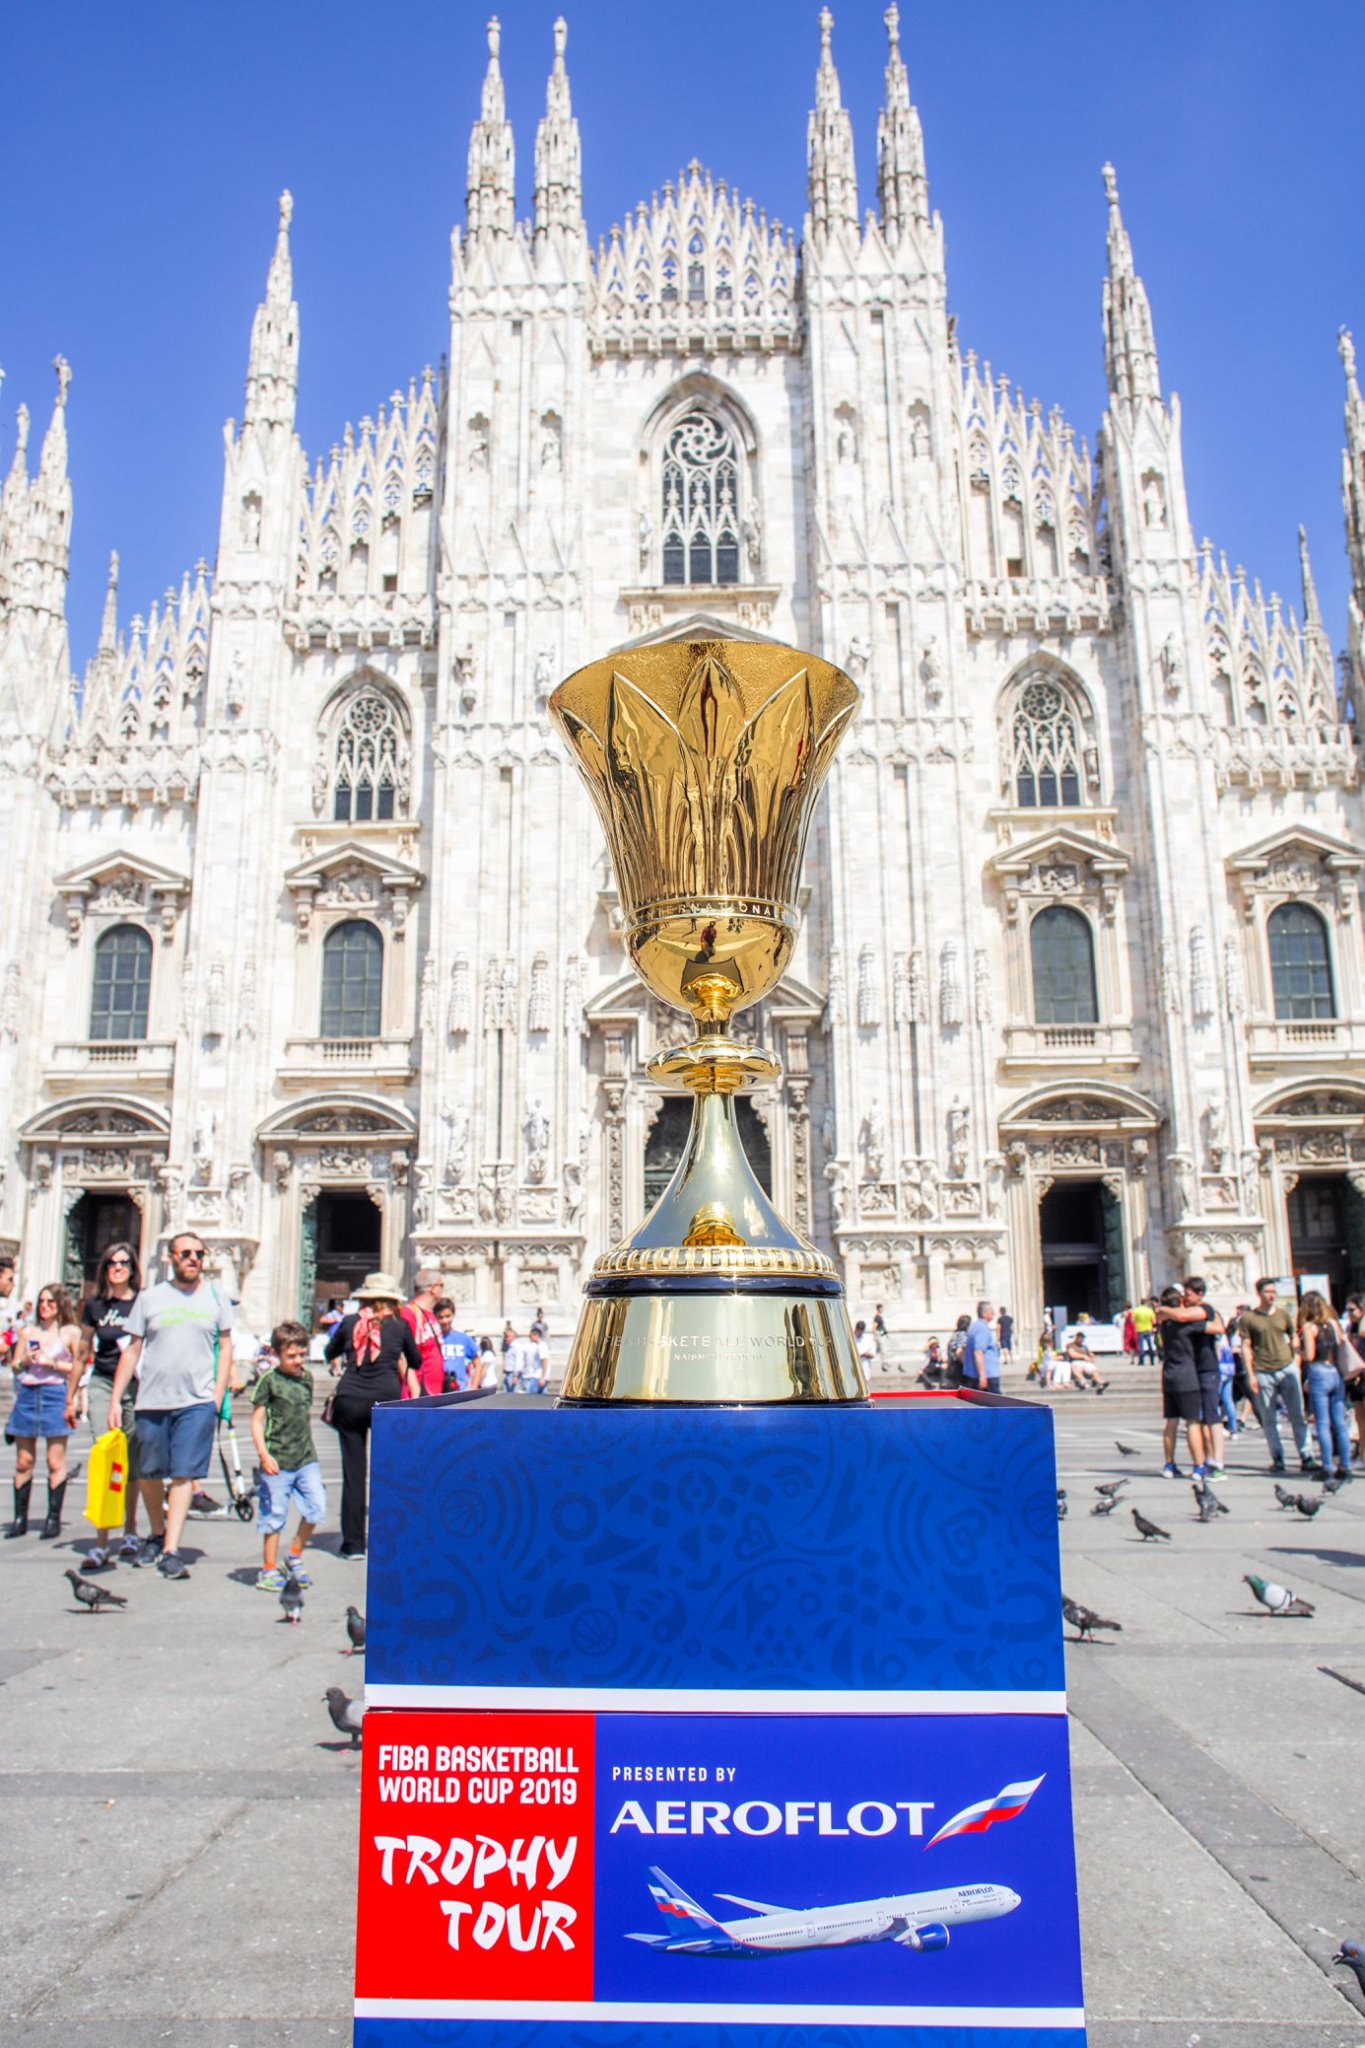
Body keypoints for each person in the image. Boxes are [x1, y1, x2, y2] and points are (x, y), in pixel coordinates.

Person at [107, 1232, 234, 1580]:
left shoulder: (215, 1297)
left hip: (196, 1400)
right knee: (149, 1473)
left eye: (199, 1253)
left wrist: (217, 1394)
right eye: (186, 1253)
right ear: (171, 1257)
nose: (194, 1259)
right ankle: (157, 1530)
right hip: (152, 1398)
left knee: (182, 1474)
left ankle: (171, 1548)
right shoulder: (150, 1298)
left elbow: (226, 1346)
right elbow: (132, 1349)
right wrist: (116, 1398)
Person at [324, 1273, 421, 1559]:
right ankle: (390, 1539)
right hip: (385, 1403)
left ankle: (353, 1544)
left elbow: (330, 1350)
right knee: (388, 1473)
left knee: (353, 1475)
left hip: (349, 1400)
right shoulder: (399, 1325)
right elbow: (415, 1361)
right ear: (392, 1302)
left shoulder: (350, 1323)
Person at [79, 1241, 144, 1571]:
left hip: (137, 1385)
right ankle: (102, 1540)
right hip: (103, 1382)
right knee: (106, 1456)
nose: (118, 1268)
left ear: (133, 1268)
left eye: (124, 1263)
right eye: (112, 1263)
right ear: (104, 1268)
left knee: (130, 1462)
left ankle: (131, 1530)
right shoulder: (94, 1305)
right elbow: (82, 1349)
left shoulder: (143, 1304)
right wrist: (70, 1393)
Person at [250, 1320, 326, 1589]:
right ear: (277, 1355)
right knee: (274, 1515)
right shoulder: (269, 1381)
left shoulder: (307, 1378)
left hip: (306, 1457)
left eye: (302, 1355)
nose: (297, 1360)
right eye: (291, 1356)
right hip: (277, 1458)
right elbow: (257, 1421)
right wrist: (263, 1454)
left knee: (317, 1507)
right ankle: (268, 1568)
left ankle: (293, 1556)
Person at [6, 1283, 83, 1539]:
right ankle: (20, 1518)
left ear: (60, 1304)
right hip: (28, 1395)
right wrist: (26, 1360)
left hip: (54, 1394)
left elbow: (77, 1367)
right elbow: (15, 1366)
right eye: (42, 1301)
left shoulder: (70, 1332)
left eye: (50, 1302)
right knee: (23, 1460)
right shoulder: (28, 1331)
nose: (45, 1306)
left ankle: (53, 1518)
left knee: (54, 1460)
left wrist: (53, 1363)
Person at [1240, 1277, 1314, 1476]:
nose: (1271, 1295)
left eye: (1274, 1291)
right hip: (1263, 1370)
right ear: (1259, 1293)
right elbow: (1246, 1347)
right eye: (1267, 1291)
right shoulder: (1249, 1318)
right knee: (1269, 1417)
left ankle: (1306, 1455)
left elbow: (1294, 1338)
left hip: (1286, 1367)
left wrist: (1295, 1364)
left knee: (1298, 1413)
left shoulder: (1283, 1315)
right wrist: (1250, 1374)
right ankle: (1277, 1457)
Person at [1156, 1282, 1211, 1479]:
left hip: (1168, 1375)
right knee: (1192, 1422)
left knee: (1171, 1422)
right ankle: (1198, 1465)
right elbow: (1215, 1326)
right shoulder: (1186, 1324)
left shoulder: (1164, 1325)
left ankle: (1169, 1464)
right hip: (1187, 1376)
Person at [1299, 1289, 1353, 1483]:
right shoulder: (1334, 1324)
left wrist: (1298, 1350)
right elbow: (1342, 1347)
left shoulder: (1309, 1327)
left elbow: (1310, 1355)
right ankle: (1345, 1466)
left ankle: (1328, 1466)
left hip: (1319, 1372)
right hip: (1336, 1372)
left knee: (1322, 1423)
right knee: (1340, 1424)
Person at [1183, 1277, 1227, 1478]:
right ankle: (1207, 1459)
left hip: (1207, 1369)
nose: (1185, 1297)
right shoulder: (1184, 1313)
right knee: (1198, 1420)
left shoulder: (1207, 1311)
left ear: (1200, 1294)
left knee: (1212, 1416)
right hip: (1191, 1370)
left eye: (1188, 1294)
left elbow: (1218, 1327)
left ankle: (1217, 1462)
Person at [401, 1268, 446, 1398]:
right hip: (418, 1391)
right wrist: (414, 1389)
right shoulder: (409, 1314)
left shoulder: (430, 1314)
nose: (442, 1290)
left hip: (433, 1391)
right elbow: (402, 1356)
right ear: (432, 1288)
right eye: (441, 1285)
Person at [435, 1298, 479, 1390]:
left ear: (453, 1315)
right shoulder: (432, 1339)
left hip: (459, 1391)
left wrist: (474, 1387)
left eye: (448, 1316)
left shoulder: (463, 1338)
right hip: (437, 1392)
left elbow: (478, 1363)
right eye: (441, 1317)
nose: (445, 1321)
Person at [962, 1299, 1001, 1395]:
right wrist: (982, 1376)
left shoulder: (975, 1326)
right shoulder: (981, 1328)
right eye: (991, 1311)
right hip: (987, 1376)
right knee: (996, 1407)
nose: (994, 1313)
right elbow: (978, 1352)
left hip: (978, 1375)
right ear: (984, 1313)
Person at [1132, 1296, 1158, 1365]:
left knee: (1141, 1346)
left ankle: (1141, 1361)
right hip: (1148, 1329)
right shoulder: (1149, 1310)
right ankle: (1152, 1360)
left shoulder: (1136, 1310)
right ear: (1146, 1303)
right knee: (1150, 1345)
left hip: (1139, 1329)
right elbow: (1154, 1321)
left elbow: (1132, 1320)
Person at [997, 1306, 1014, 1370]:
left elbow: (998, 1328)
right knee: (1009, 1346)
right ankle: (1012, 1359)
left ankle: (1006, 1359)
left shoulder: (1000, 1319)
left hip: (1003, 1334)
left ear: (1000, 1312)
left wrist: (998, 1337)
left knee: (1004, 1347)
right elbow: (1012, 1327)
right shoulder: (1010, 1318)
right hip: (1009, 1333)